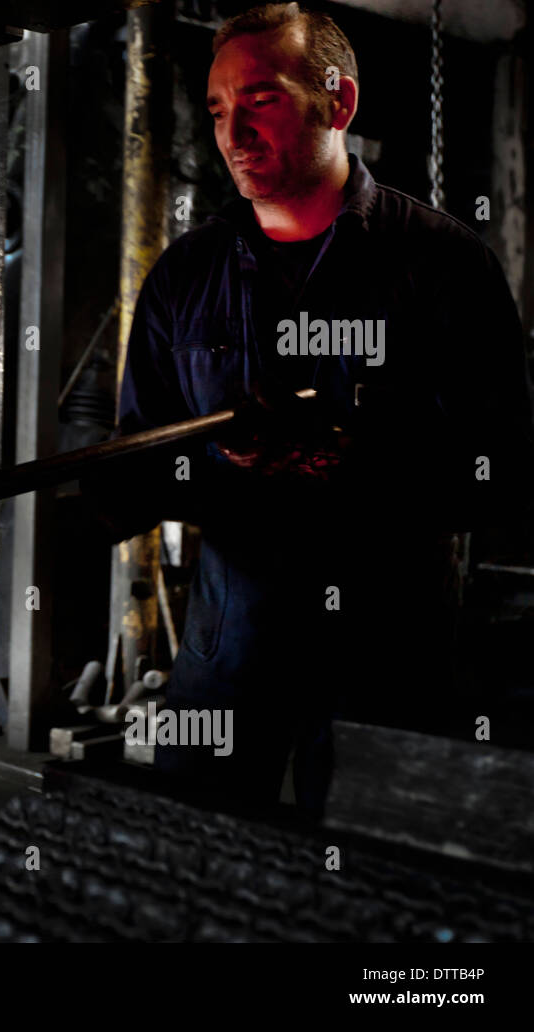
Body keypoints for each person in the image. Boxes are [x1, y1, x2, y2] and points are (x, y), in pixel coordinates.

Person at [113, 2, 534, 816]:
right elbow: (144, 452)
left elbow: (504, 474)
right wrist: (189, 467)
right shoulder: (183, 276)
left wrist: (355, 456)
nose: (233, 131)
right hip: (224, 664)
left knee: (373, 895)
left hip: (388, 664)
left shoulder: (446, 266)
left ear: (338, 104)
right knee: (190, 870)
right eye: (219, 109)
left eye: (261, 100)